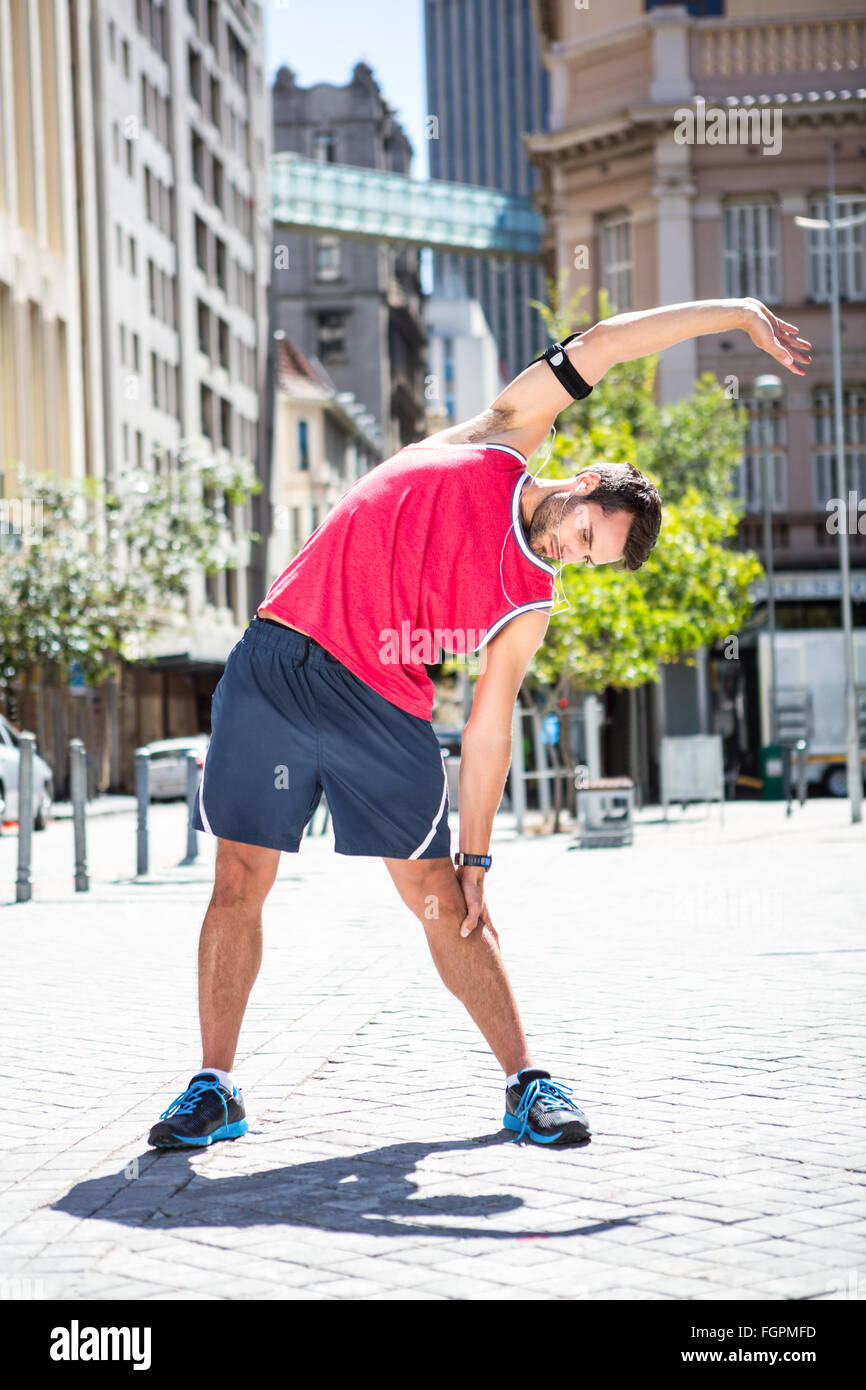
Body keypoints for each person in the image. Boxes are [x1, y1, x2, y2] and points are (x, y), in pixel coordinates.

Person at [147, 296, 810, 1150]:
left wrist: (479, 855)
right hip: (276, 662)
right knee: (237, 881)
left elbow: (491, 734)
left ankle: (526, 1081)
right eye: (581, 535)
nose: (570, 555)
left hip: (380, 706)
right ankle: (215, 1087)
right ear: (579, 484)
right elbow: (603, 347)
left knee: (440, 900)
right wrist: (734, 313)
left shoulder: (530, 601)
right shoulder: (500, 435)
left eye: (587, 559)